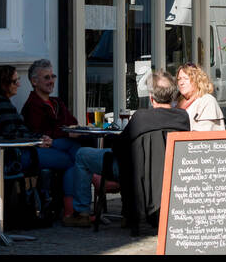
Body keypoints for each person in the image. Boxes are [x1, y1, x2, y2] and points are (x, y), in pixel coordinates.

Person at [65, 70, 190, 227]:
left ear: (151, 99)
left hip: (135, 173)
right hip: (169, 172)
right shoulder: (183, 117)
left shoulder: (141, 117)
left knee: (82, 155)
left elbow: (119, 148)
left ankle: (81, 213)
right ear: (172, 96)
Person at [0, 64, 77, 221]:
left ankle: (71, 210)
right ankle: (72, 210)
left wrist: (39, 138)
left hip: (23, 151)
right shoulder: (0, 104)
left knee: (74, 151)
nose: (19, 84)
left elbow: (16, 131)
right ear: (4, 84)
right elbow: (12, 134)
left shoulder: (0, 102)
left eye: (18, 80)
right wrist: (37, 140)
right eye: (14, 81)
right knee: (73, 160)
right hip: (19, 156)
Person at [177, 63, 225, 131]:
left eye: (186, 78)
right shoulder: (177, 103)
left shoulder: (207, 101)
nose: (181, 82)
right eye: (179, 79)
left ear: (197, 80)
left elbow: (202, 133)